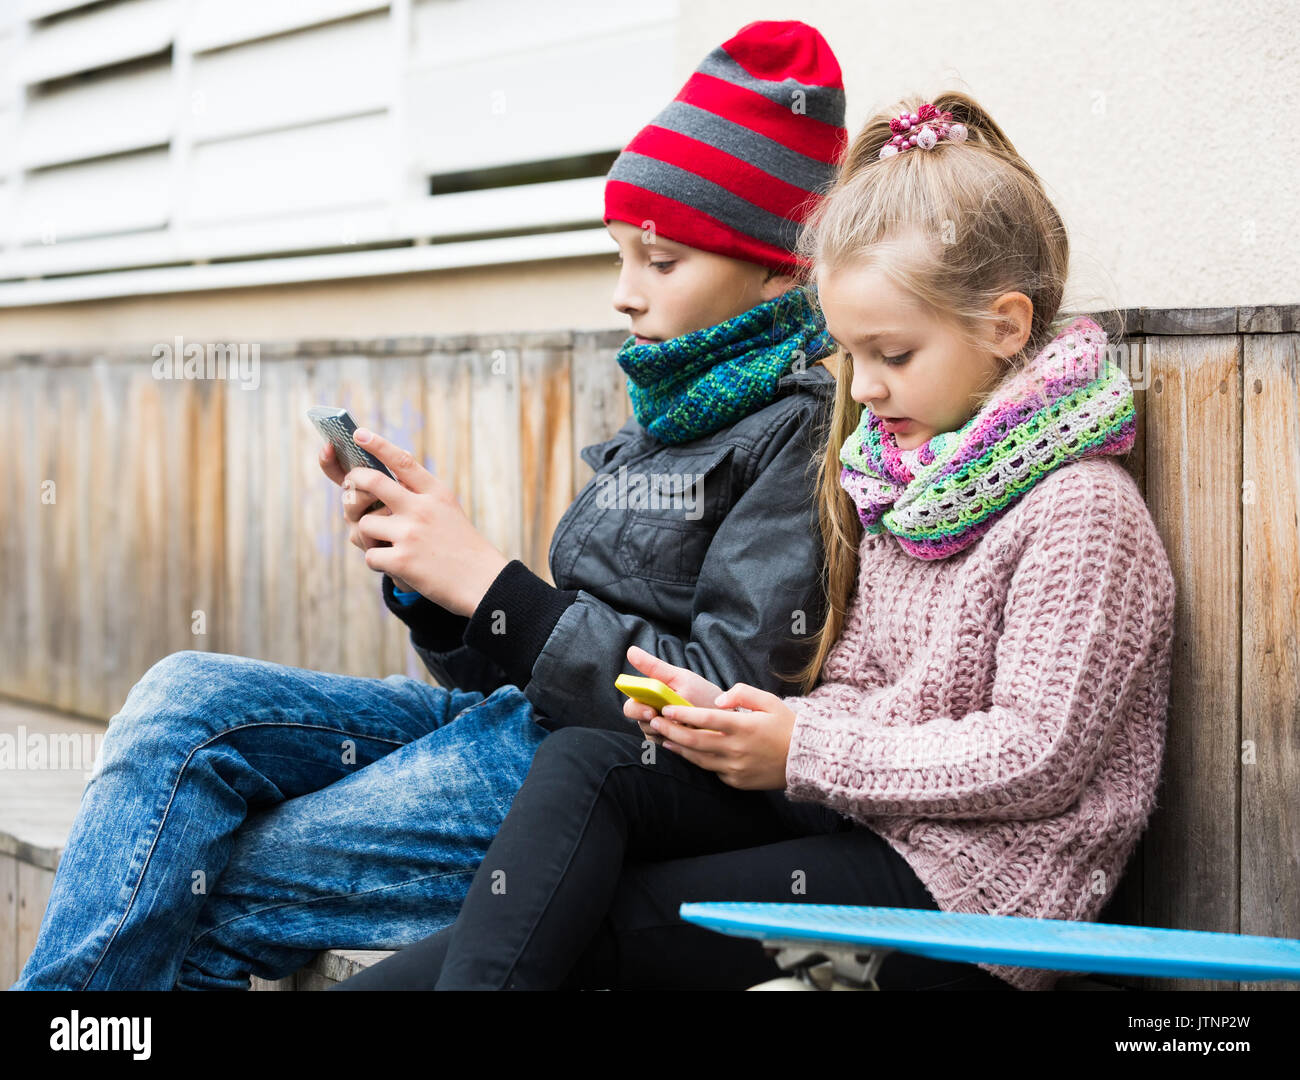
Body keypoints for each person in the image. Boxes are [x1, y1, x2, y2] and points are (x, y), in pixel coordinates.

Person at [10, 20, 850, 991]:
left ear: (778, 268)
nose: (623, 294)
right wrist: (437, 589)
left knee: (207, 872)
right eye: (618, 254)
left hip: (590, 782)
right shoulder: (674, 412)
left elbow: (718, 700)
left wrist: (492, 582)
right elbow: (522, 650)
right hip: (504, 720)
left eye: (659, 263)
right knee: (183, 697)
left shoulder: (800, 439)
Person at [331, 94, 1178, 992]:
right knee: (590, 764)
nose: (868, 389)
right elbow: (858, 688)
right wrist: (738, 719)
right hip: (859, 822)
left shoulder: (1081, 512)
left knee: (600, 929)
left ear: (1005, 328)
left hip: (969, 901)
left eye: (893, 355)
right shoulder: (913, 485)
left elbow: (1036, 758)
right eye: (852, 357)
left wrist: (802, 749)